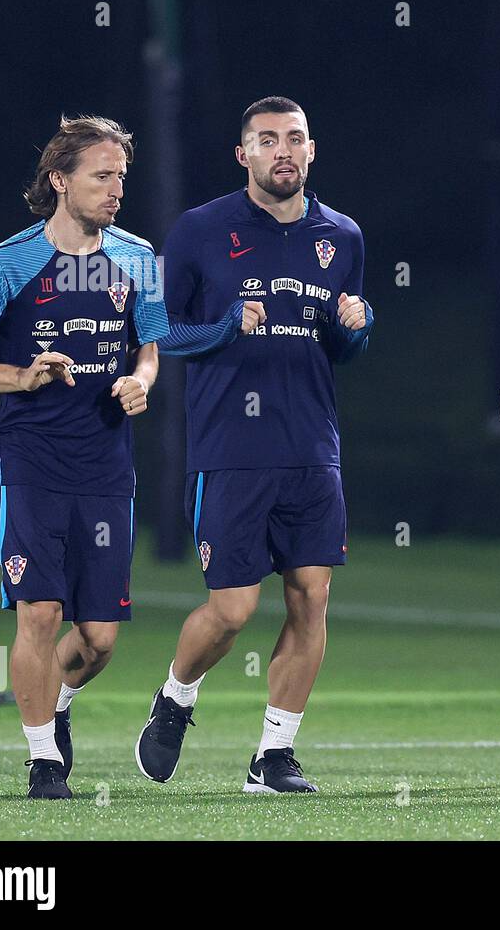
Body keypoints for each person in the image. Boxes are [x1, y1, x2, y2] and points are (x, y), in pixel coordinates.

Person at [135, 97, 372, 794]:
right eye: (267, 141)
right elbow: (159, 330)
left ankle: (273, 758)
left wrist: (357, 325)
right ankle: (176, 695)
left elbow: (343, 343)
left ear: (311, 149)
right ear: (244, 155)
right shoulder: (201, 230)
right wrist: (223, 325)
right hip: (230, 449)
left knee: (311, 600)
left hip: (312, 451)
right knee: (232, 610)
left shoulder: (343, 237)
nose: (283, 152)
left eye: (294, 139)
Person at [0, 115, 168, 799]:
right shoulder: (9, 262)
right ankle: (43, 763)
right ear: (59, 179)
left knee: (97, 638)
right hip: (32, 456)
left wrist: (140, 381)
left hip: (106, 461)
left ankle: (57, 709)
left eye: (122, 176)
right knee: (39, 613)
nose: (116, 189)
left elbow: (150, 349)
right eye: (102, 175)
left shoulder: (139, 258)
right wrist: (19, 376)